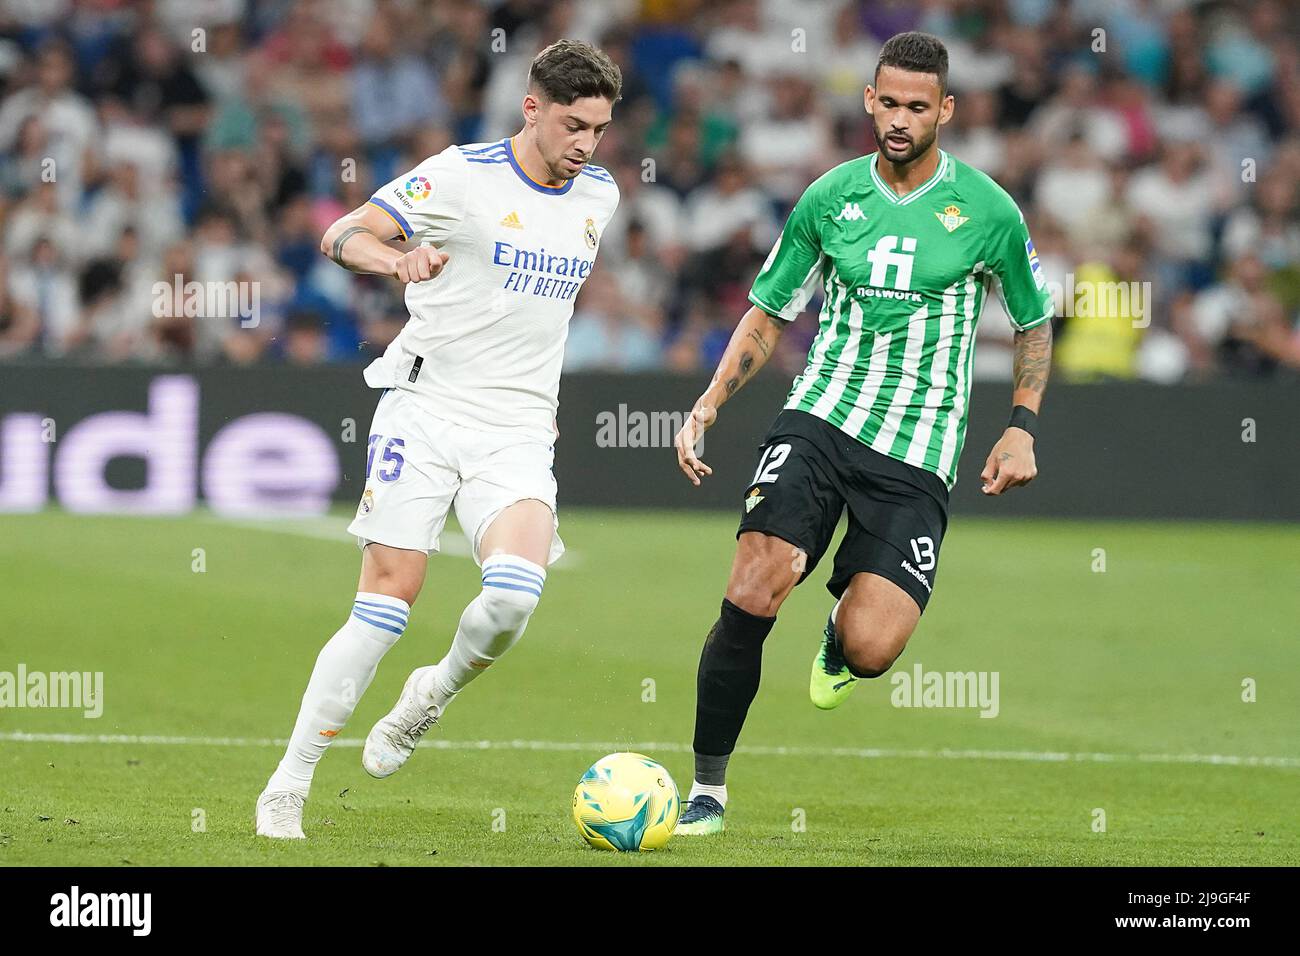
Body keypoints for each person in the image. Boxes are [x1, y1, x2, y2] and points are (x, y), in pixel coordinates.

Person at [670, 32, 1055, 835]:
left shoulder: (988, 211)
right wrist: (712, 398)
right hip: (822, 415)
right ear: (868, 101)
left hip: (918, 448)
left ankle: (840, 639)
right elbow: (771, 310)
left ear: (945, 109)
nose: (902, 119)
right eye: (890, 102)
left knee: (875, 646)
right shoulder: (828, 197)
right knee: (753, 581)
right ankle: (708, 788)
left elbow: (1031, 321)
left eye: (920, 106)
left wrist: (1020, 427)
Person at [255, 39, 622, 839]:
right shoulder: (461, 175)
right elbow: (343, 232)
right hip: (424, 410)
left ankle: (430, 695)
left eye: (598, 127)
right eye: (572, 124)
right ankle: (289, 782)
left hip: (519, 429)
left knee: (513, 600)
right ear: (532, 108)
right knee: (386, 603)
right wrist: (398, 259)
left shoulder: (601, 195)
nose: (586, 144)